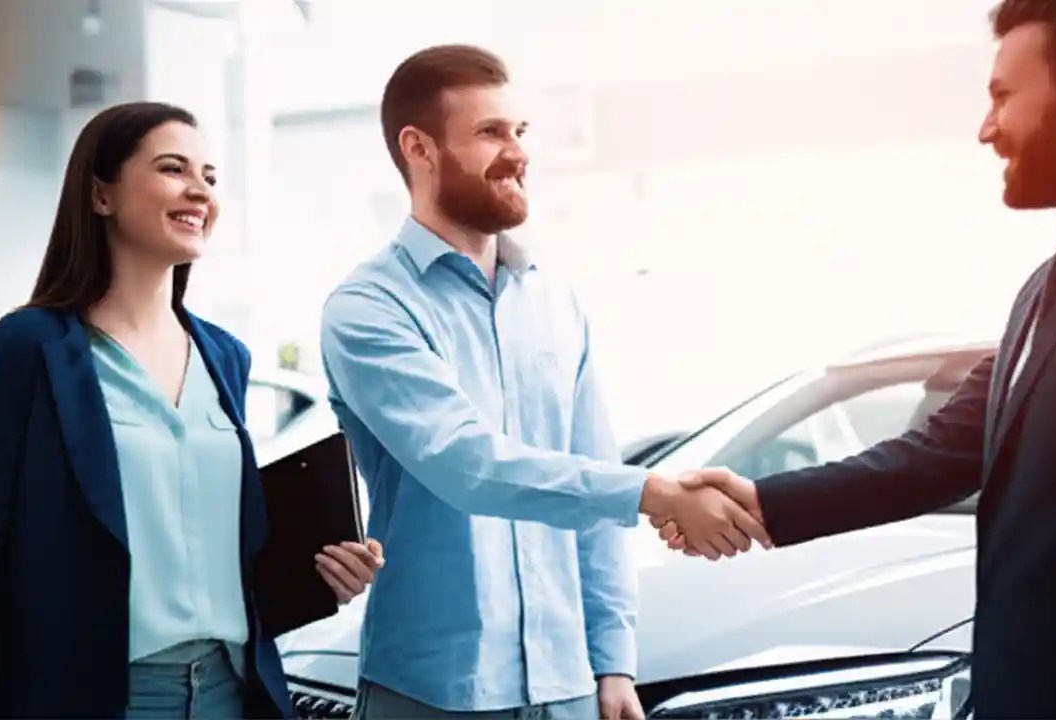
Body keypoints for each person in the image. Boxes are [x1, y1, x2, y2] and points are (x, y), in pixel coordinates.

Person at [656, 1, 1056, 717]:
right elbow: (932, 456)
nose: (987, 129)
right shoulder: (1042, 291)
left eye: (1002, 96)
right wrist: (761, 501)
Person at [318, 45, 770, 720]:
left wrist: (612, 660)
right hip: (433, 691)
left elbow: (591, 474)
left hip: (568, 690)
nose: (519, 153)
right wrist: (656, 493)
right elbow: (466, 463)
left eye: (520, 132)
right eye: (491, 133)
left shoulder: (555, 303)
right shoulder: (368, 308)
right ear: (419, 148)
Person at [0, 101, 384, 719]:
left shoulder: (224, 356)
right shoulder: (31, 348)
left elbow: (221, 552)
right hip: (101, 699)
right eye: (173, 169)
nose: (199, 191)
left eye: (210, 176)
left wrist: (324, 574)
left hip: (231, 692)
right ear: (101, 196)